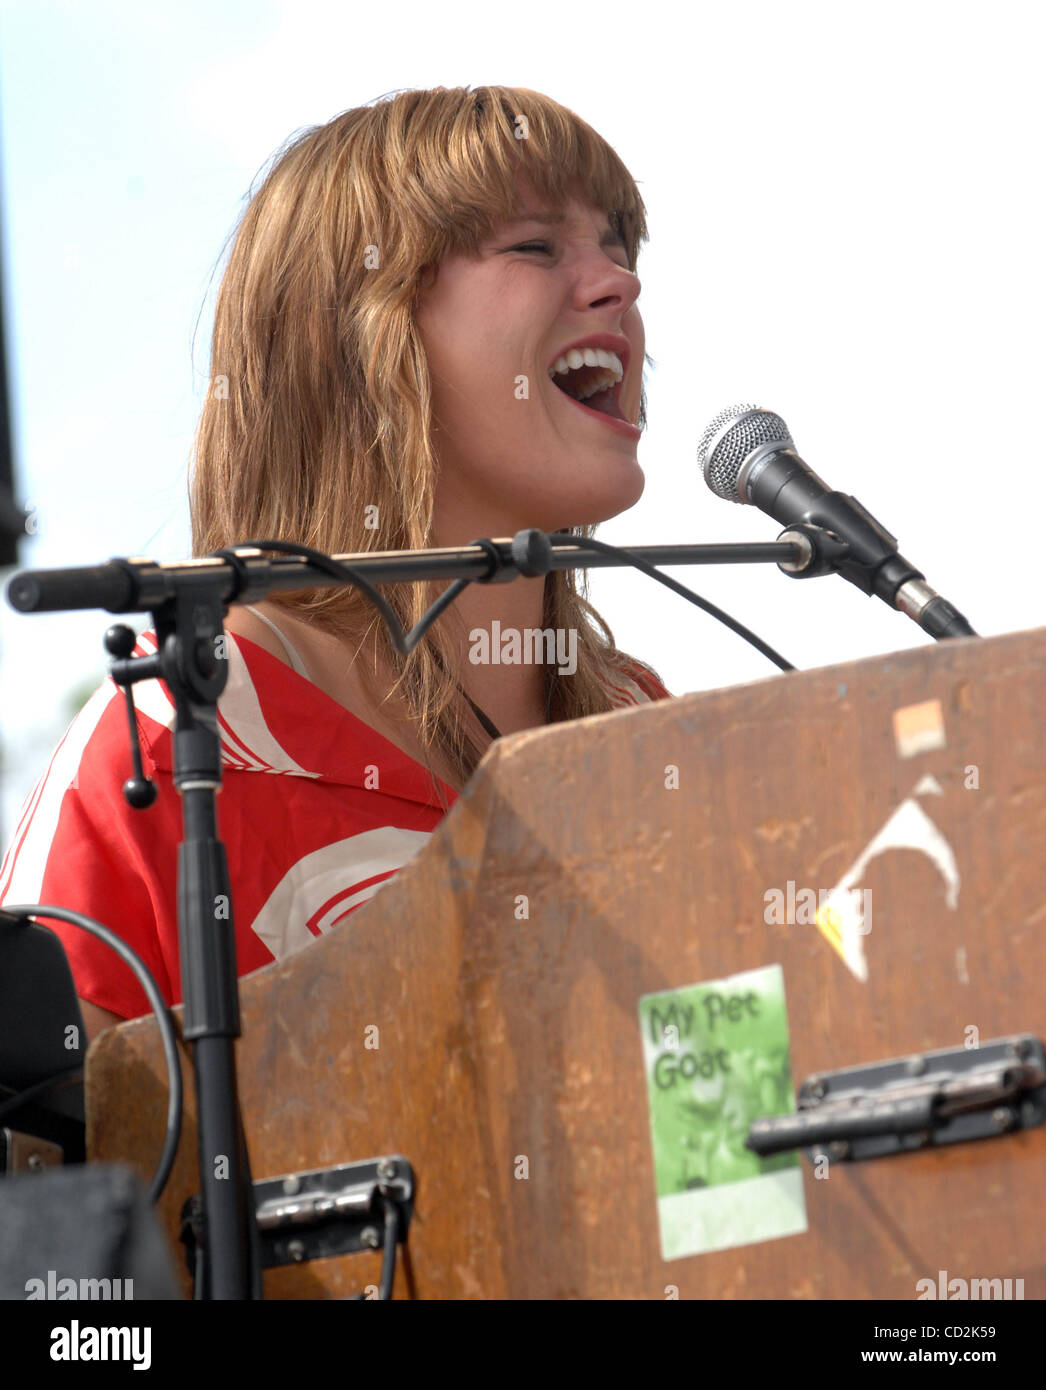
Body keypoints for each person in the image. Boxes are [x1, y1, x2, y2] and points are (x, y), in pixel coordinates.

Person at [0, 85, 671, 1048]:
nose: (619, 283)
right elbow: (47, 1170)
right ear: (354, 340)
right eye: (535, 246)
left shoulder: (649, 729)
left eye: (617, 246)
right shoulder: (173, 742)